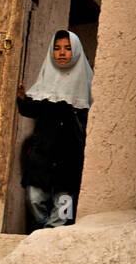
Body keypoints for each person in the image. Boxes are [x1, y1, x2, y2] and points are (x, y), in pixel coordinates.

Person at [16, 29, 92, 230]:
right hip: (43, 153)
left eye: (68, 48)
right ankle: (42, 226)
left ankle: (53, 232)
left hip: (70, 156)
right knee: (34, 197)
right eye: (57, 48)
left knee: (64, 201)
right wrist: (23, 99)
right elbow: (32, 110)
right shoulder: (46, 81)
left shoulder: (88, 83)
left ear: (75, 52)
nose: (61, 52)